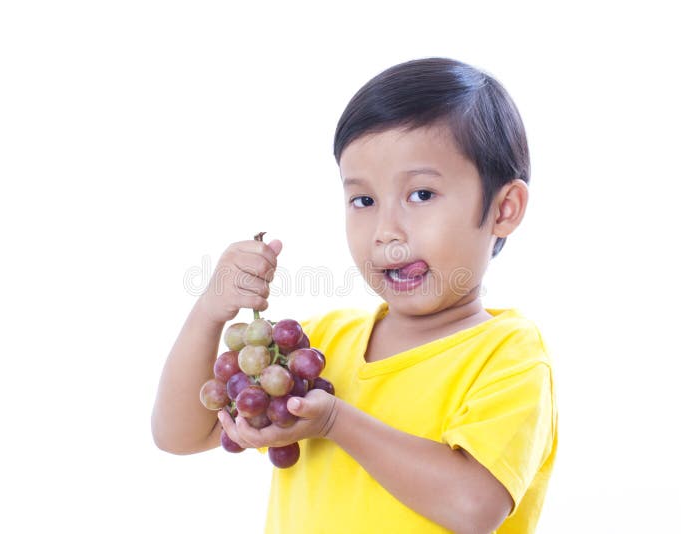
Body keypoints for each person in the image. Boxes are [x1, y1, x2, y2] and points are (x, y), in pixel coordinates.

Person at [151, 57, 558, 534]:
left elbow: (474, 506)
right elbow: (179, 434)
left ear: (504, 209)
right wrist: (208, 312)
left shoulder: (510, 354)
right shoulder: (320, 346)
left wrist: (334, 423)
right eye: (363, 200)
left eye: (421, 194)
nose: (386, 231)